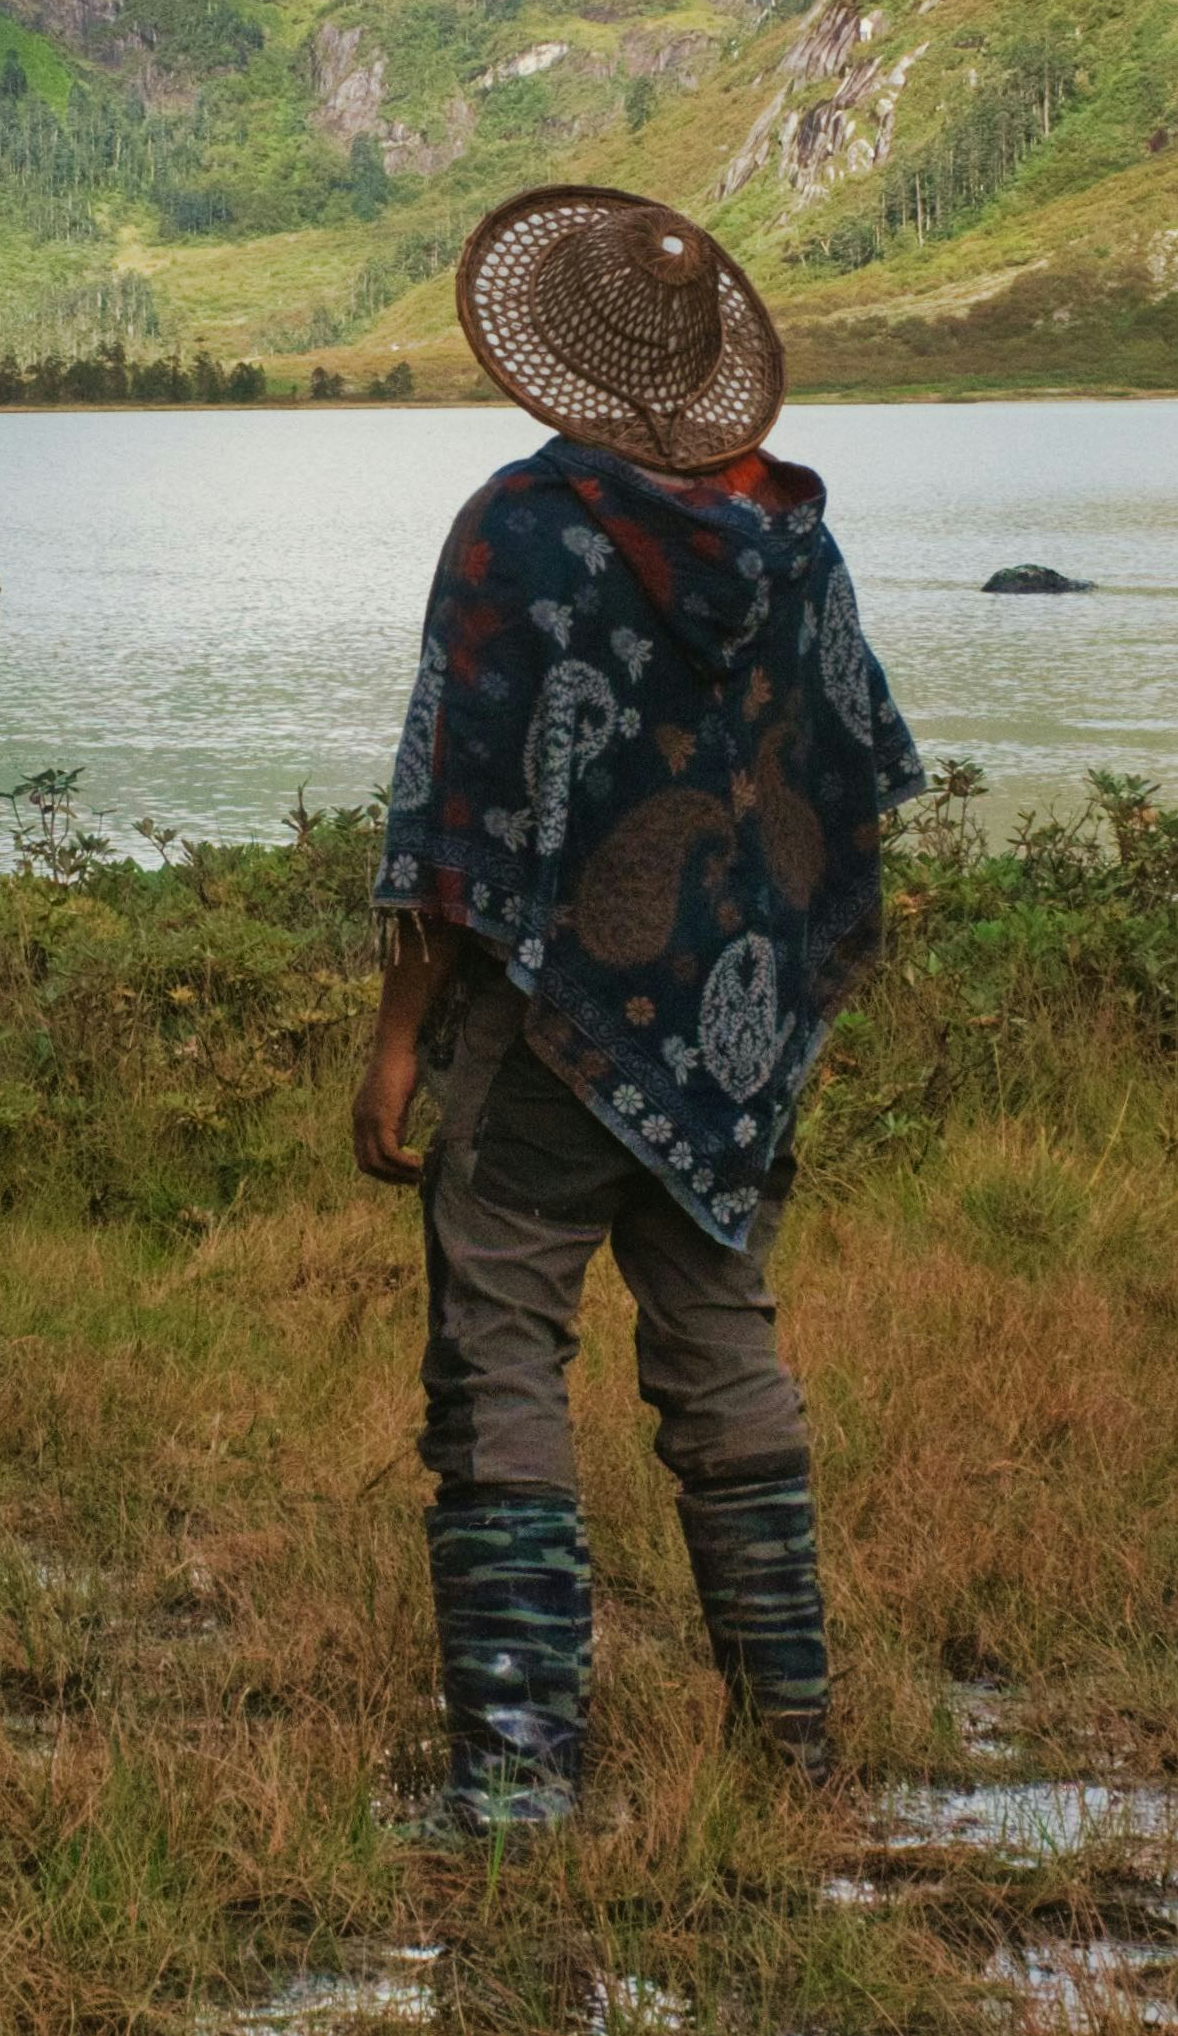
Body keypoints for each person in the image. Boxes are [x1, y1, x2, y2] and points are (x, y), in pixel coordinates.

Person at [356, 186, 919, 1831]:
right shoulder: (797, 543)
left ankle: (521, 1776)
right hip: (733, 1041)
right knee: (723, 1341)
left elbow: (458, 820)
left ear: (566, 360)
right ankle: (791, 1750)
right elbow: (847, 775)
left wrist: (402, 1033)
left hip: (554, 1025)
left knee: (502, 1348)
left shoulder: (522, 530)